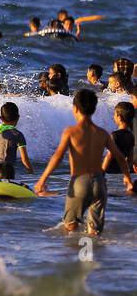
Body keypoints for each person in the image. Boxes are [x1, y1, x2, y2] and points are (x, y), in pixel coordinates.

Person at [34, 88, 134, 235]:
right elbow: (120, 157)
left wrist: (42, 179)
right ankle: (93, 253)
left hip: (79, 181)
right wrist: (127, 178)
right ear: (94, 109)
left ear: (75, 109)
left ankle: (77, 253)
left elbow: (57, 156)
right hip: (99, 183)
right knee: (94, 231)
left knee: (70, 226)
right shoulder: (102, 133)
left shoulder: (71, 131)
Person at [102, 101, 135, 175]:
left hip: (110, 172)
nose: (113, 117)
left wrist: (102, 171)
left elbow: (109, 156)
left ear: (119, 118)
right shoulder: (131, 135)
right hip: (120, 172)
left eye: (114, 114)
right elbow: (130, 157)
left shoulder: (115, 135)